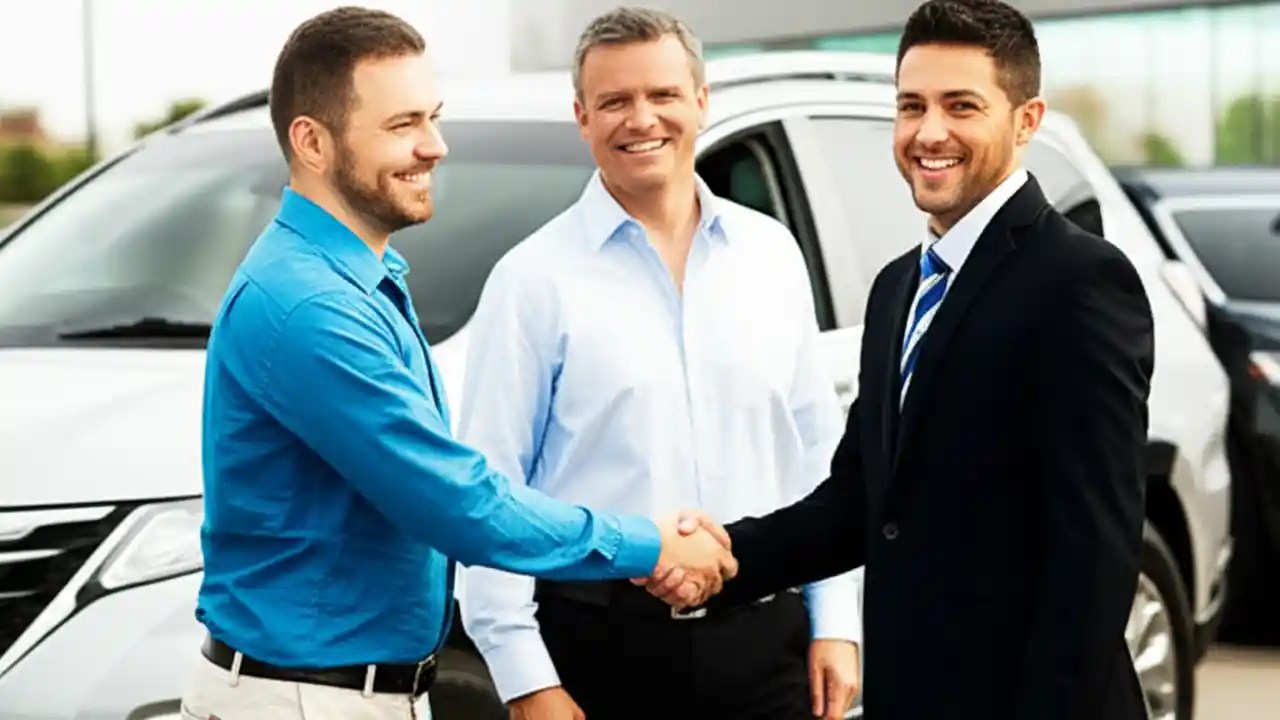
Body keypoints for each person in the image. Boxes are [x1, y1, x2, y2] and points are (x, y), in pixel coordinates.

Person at [178, 7, 734, 720]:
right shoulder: (309, 305)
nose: (435, 146)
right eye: (402, 124)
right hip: (304, 701)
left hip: (344, 693)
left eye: (433, 117)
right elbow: (458, 503)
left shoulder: (356, 278)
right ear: (311, 142)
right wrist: (650, 543)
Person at [650, 1, 1156, 719]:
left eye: (961, 106)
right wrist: (725, 556)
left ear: (1027, 120)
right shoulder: (898, 288)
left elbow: (1095, 556)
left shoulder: (1080, 282)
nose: (929, 132)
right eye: (911, 105)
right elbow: (861, 504)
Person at [457, 7, 862, 720]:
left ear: (701, 102)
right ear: (582, 117)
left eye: (663, 95)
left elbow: (819, 460)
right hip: (597, 652)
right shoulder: (531, 282)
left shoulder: (772, 257)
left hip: (768, 648)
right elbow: (491, 499)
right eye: (614, 101)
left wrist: (835, 622)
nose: (641, 119)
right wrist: (526, 679)